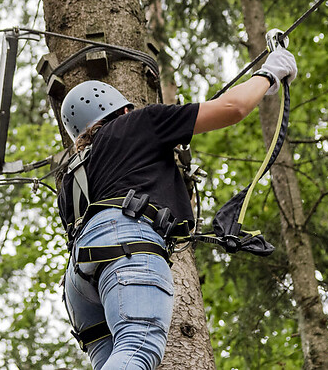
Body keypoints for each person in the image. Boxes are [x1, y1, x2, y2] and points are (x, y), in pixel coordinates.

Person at [57, 46, 298, 370]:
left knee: (119, 361)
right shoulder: (141, 123)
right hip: (127, 246)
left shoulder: (72, 172)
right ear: (124, 109)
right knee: (138, 347)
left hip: (79, 280)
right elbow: (234, 107)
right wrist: (271, 72)